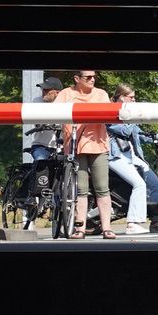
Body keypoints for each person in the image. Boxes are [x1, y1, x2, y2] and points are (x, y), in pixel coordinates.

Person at [56, 68, 115, 239]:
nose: (92, 80)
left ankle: (107, 228)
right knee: (80, 190)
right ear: (77, 78)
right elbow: (53, 112)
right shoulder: (66, 94)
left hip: (98, 145)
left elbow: (108, 114)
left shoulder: (101, 94)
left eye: (94, 77)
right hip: (74, 146)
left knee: (102, 188)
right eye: (88, 77)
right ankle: (80, 228)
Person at [106, 82, 158, 236]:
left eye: (135, 98)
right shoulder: (111, 113)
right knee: (139, 184)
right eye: (131, 98)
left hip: (131, 156)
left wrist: (154, 138)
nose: (134, 101)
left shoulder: (128, 114)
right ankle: (132, 223)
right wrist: (138, 117)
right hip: (115, 156)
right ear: (121, 98)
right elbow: (125, 130)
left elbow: (137, 133)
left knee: (154, 182)